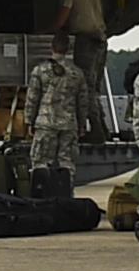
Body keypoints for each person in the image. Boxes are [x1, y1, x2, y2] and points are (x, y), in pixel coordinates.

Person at [20, 42, 92, 196]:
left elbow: (32, 98)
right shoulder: (77, 73)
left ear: (51, 49)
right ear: (68, 50)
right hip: (69, 124)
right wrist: (81, 124)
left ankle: (41, 195)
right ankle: (66, 194)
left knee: (41, 161)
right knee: (67, 162)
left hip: (45, 123)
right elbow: (83, 102)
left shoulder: (40, 70)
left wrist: (29, 121)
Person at [50, 0, 108, 85]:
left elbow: (62, 18)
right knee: (95, 84)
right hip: (101, 39)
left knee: (83, 82)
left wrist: (50, 31)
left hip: (85, 40)